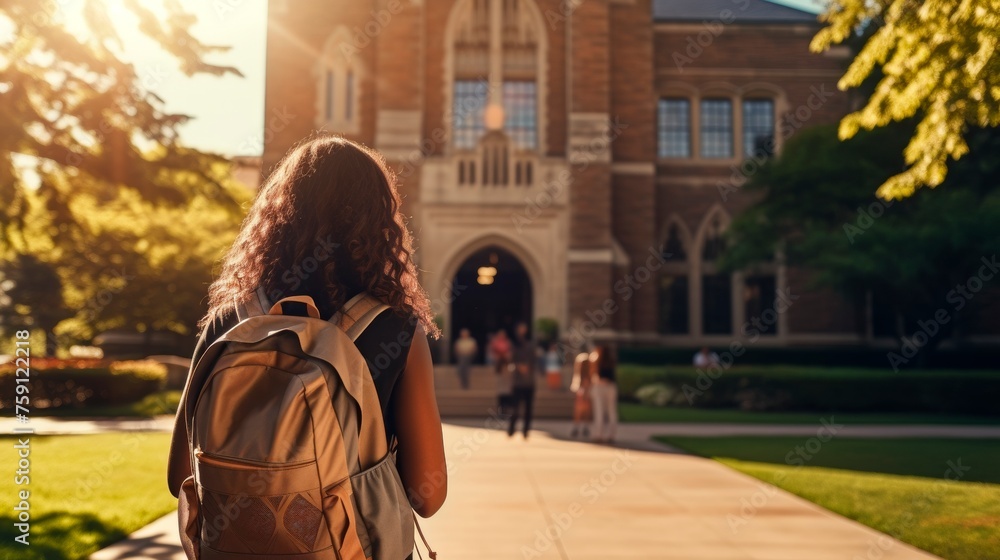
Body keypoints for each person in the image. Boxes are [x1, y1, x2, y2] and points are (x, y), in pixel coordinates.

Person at [166, 136, 448, 538]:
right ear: (378, 222)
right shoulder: (396, 329)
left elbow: (180, 476)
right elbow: (428, 496)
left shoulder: (230, 320)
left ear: (278, 215)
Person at [507, 322, 537, 438]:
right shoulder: (514, 344)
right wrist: (519, 366)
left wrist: (527, 367)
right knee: (515, 407)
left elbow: (534, 360)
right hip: (518, 381)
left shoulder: (531, 344)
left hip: (529, 381)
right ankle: (511, 428)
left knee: (528, 408)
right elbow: (511, 359)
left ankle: (526, 430)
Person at [590, 345, 618, 444]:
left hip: (600, 387)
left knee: (599, 411)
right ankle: (611, 434)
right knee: (611, 411)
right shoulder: (611, 362)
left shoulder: (597, 361)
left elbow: (594, 376)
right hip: (611, 387)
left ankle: (599, 434)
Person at [569, 349, 593, 439]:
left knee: (579, 412)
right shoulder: (584, 377)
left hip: (583, 394)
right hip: (584, 394)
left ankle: (578, 427)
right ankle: (583, 427)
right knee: (585, 412)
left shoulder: (584, 378)